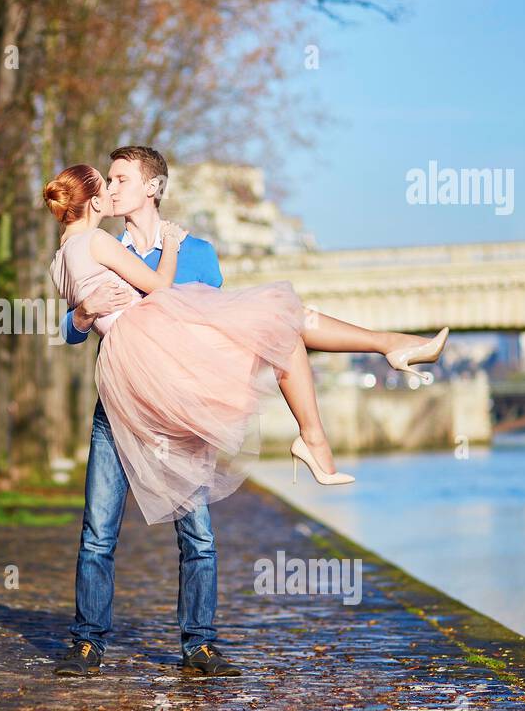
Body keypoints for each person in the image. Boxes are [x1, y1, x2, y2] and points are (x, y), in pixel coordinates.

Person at [49, 146, 447, 676]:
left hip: (179, 401)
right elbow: (70, 330)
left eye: (122, 178)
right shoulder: (101, 244)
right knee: (98, 530)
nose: (112, 187)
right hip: (120, 401)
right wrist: (80, 313)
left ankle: (200, 645)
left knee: (198, 534)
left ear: (153, 187)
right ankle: (86, 643)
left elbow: (210, 318)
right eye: (108, 180)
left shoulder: (197, 252)